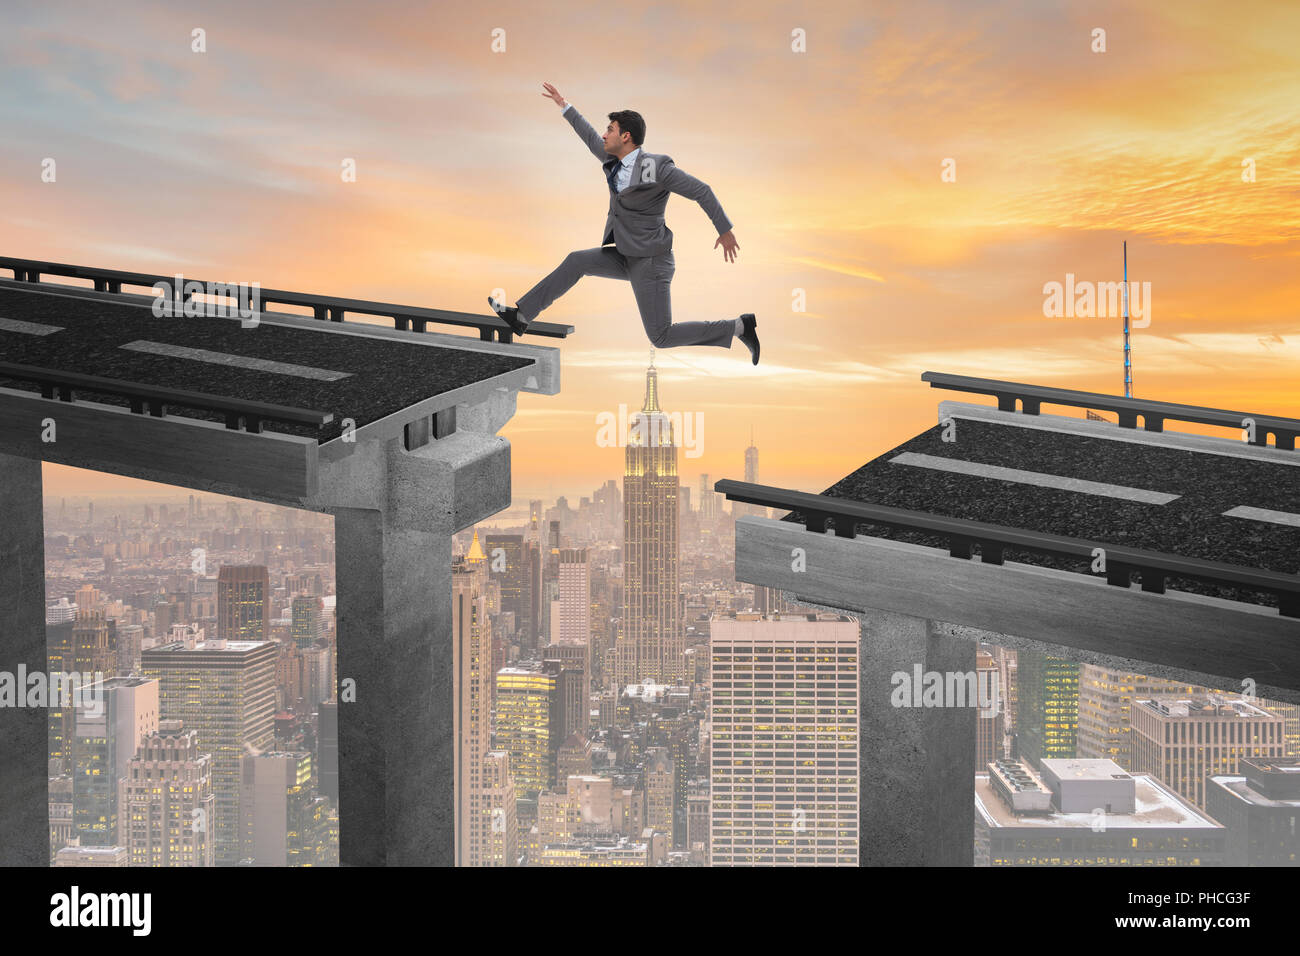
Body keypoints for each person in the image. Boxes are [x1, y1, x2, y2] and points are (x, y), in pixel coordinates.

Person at [489, 81, 760, 364]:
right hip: (625, 252)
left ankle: (739, 326)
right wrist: (563, 105)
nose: (604, 135)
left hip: (651, 262)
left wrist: (725, 230)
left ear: (626, 136)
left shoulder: (656, 168)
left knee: (661, 337)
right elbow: (588, 135)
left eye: (610, 130)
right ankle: (521, 316)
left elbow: (701, 190)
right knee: (576, 261)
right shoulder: (611, 159)